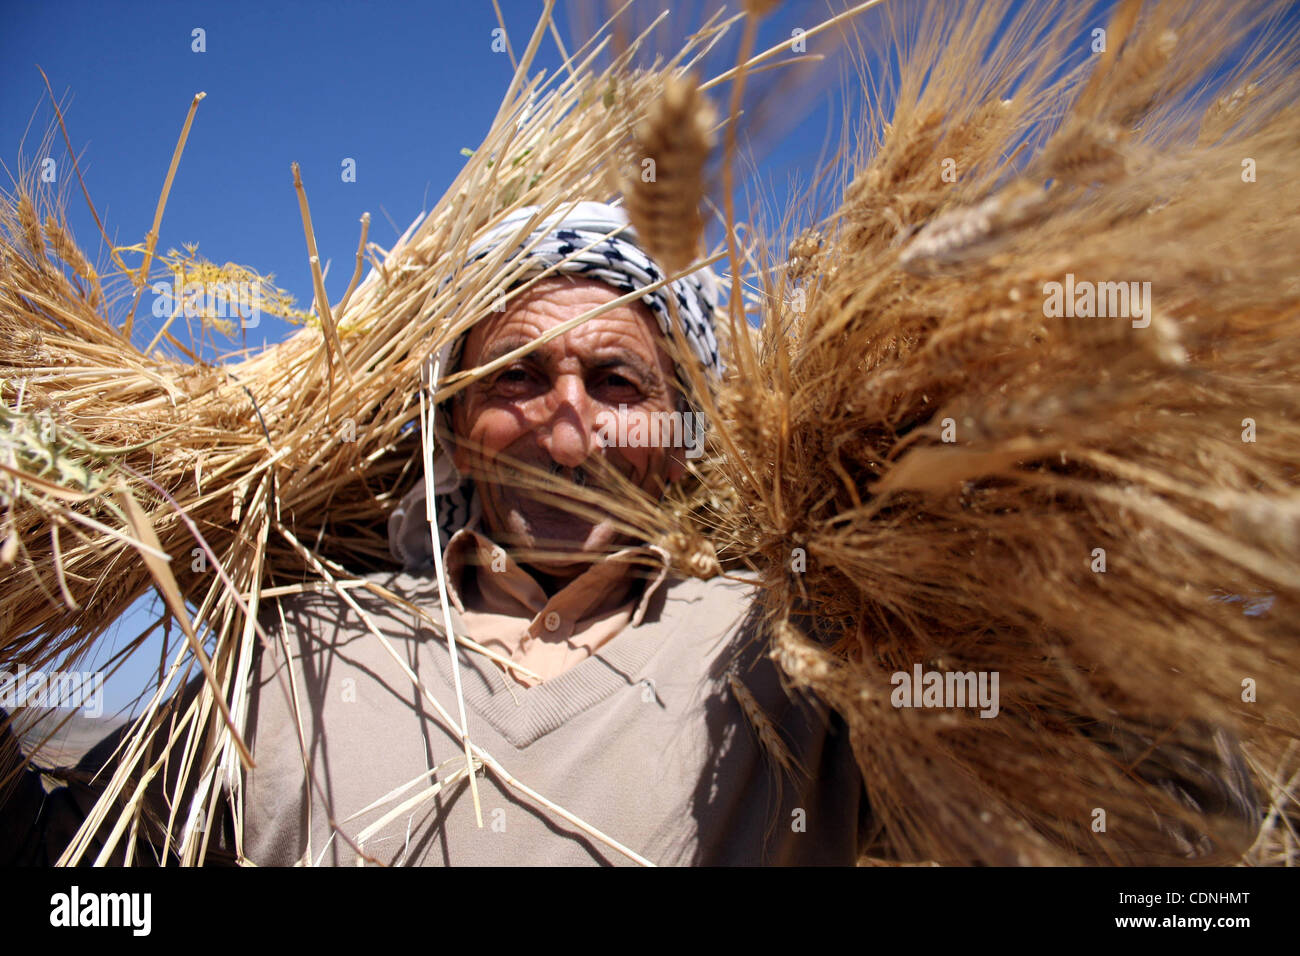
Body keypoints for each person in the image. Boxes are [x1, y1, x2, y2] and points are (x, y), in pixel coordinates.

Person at [0, 202, 872, 866]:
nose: (566, 436)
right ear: (452, 429)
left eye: (615, 382)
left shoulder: (804, 653)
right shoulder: (302, 651)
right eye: (515, 376)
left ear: (687, 437)